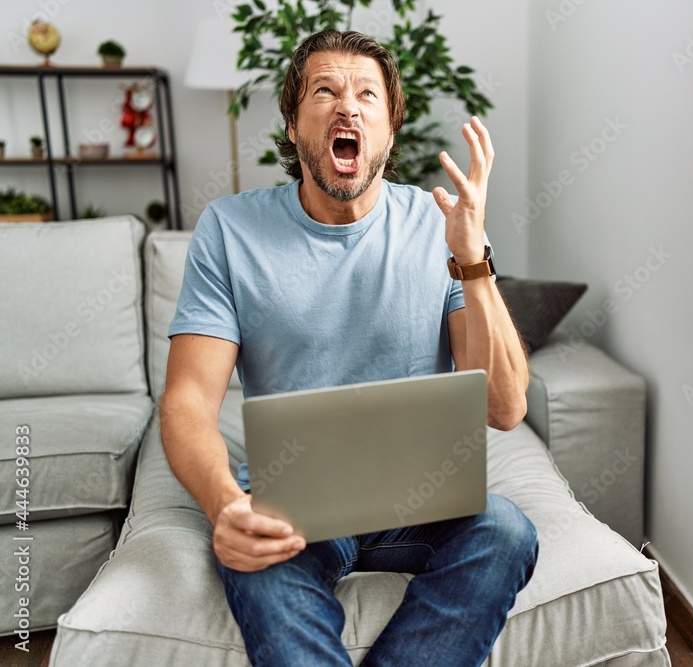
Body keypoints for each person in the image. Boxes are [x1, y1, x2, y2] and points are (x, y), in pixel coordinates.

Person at [159, 29, 538, 667]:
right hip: (294, 502)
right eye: (324, 91)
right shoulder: (229, 229)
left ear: (389, 128)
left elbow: (505, 408)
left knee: (505, 530)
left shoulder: (439, 226)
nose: (347, 107)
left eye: (367, 95)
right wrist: (226, 506)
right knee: (259, 563)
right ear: (292, 123)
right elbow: (188, 401)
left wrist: (473, 261)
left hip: (424, 498)